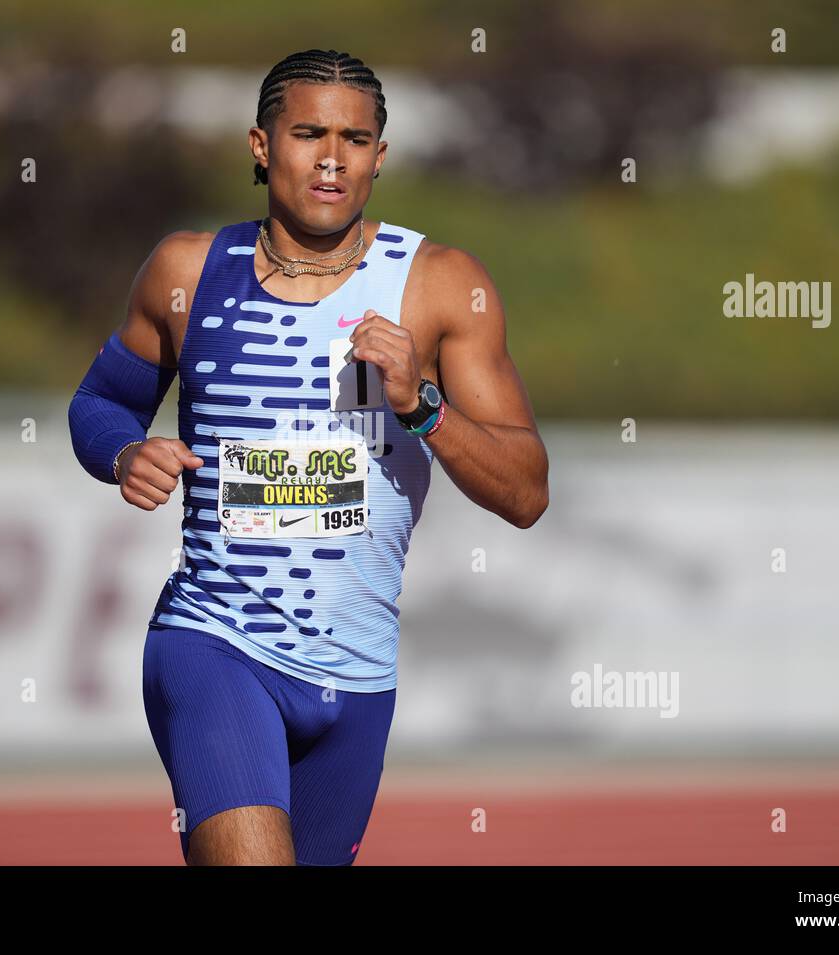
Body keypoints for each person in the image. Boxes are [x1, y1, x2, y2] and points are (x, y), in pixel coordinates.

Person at [69, 48, 549, 865]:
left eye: (354, 140)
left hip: (356, 675)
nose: (332, 159)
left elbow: (527, 490)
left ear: (379, 156)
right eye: (308, 134)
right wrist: (123, 454)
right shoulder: (187, 271)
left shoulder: (437, 285)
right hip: (214, 642)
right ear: (262, 146)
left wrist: (422, 406)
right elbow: (100, 402)